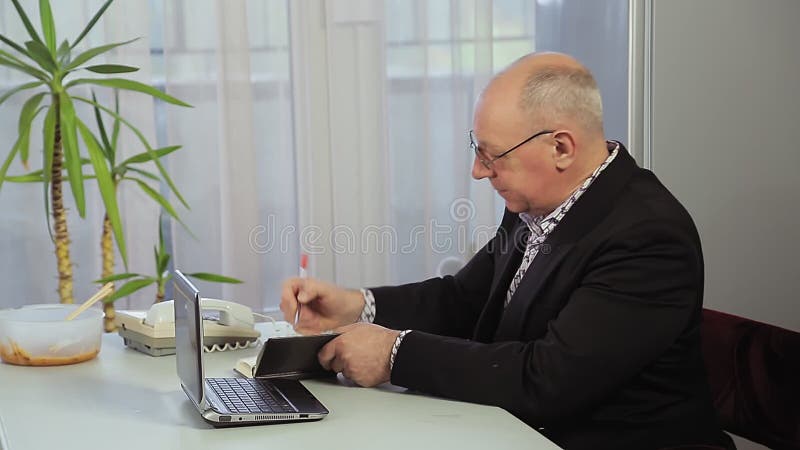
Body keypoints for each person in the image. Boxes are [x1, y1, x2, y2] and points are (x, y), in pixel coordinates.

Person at [280, 52, 733, 449]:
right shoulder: (537, 199)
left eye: (491, 155)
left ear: (560, 147)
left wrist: (394, 354)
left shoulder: (648, 237)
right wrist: (356, 305)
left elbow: (548, 379)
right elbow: (464, 299)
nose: (478, 171)